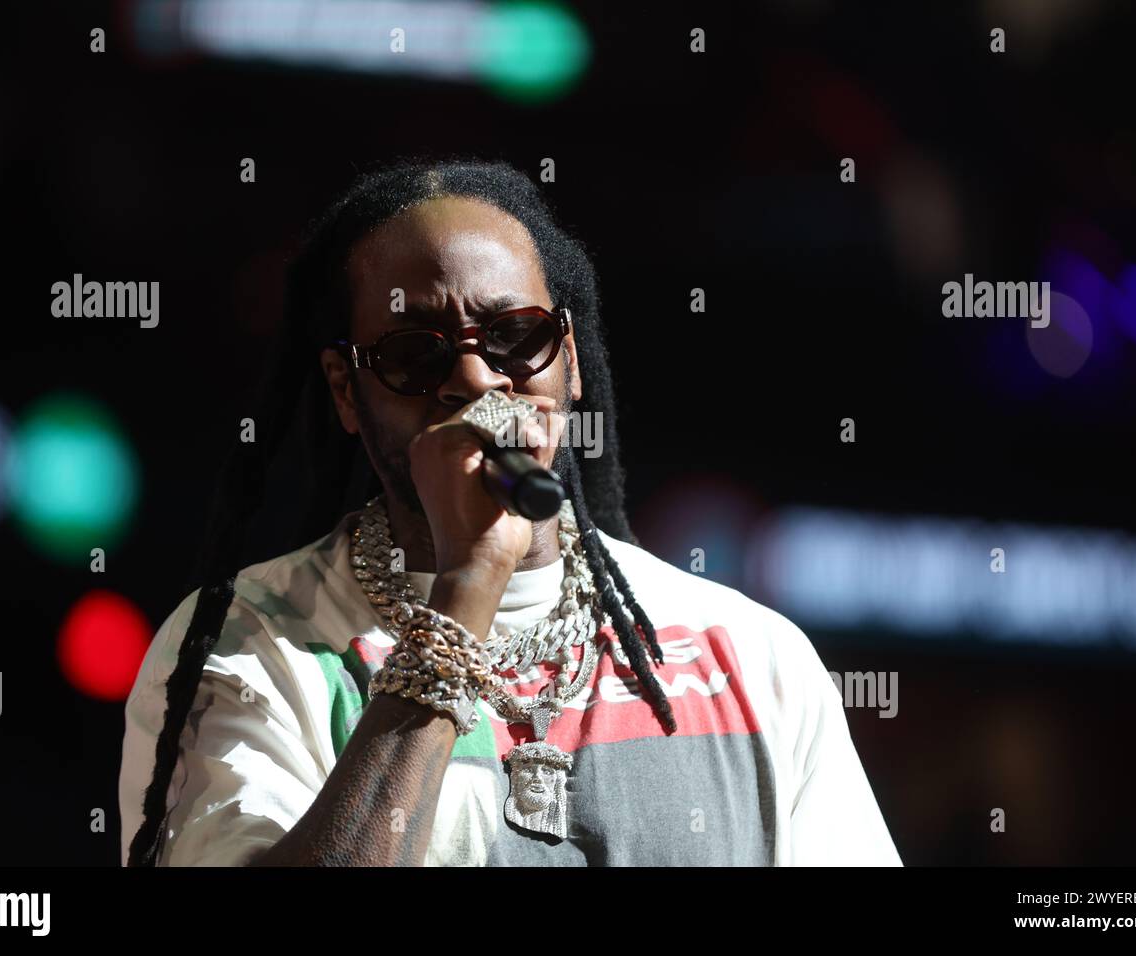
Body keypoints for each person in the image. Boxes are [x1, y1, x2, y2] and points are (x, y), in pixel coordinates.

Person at [118, 156, 902, 866]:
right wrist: (468, 581)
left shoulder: (752, 652)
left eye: (513, 336)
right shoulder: (251, 645)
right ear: (344, 391)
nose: (474, 380)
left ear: (569, 360)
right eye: (413, 353)